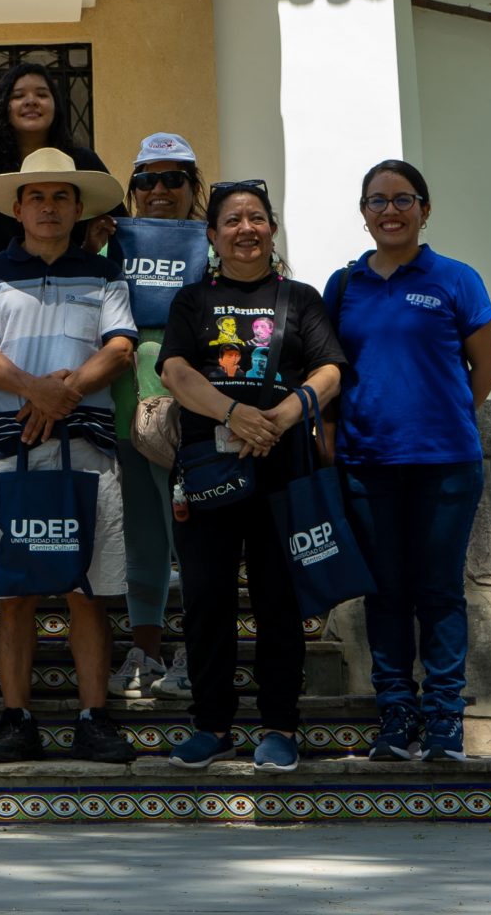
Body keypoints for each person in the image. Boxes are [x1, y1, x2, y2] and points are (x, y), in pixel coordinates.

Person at [156, 178, 348, 771]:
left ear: (272, 228)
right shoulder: (192, 303)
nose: (246, 229)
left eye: (257, 218)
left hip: (281, 469)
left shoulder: (302, 298)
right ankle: (212, 725)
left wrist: (280, 418)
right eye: (232, 220)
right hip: (208, 466)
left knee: (278, 601)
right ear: (212, 235)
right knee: (208, 599)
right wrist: (236, 414)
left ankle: (280, 726)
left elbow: (330, 371)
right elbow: (175, 371)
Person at [0, 148, 138, 765]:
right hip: (10, 451)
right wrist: (40, 391)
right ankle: (15, 717)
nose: (49, 207)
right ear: (18, 208)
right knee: (16, 590)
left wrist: (58, 397)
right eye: (37, 196)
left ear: (78, 207)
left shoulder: (106, 274)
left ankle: (95, 718)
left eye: (61, 196)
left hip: (87, 449)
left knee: (89, 589)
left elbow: (118, 350)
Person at [331, 159, 491, 764]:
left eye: (403, 199)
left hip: (446, 463)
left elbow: (489, 365)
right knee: (385, 593)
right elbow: (329, 371)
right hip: (365, 461)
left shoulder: (456, 279)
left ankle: (444, 722)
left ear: (425, 210)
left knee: (438, 592)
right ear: (363, 214)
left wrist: (446, 413)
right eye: (377, 201)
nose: (390, 211)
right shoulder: (344, 285)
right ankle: (395, 716)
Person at [104, 133, 206, 701]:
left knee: (188, 541)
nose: (159, 191)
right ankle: (144, 648)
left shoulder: (218, 248)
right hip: (121, 416)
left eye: (173, 179)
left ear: (195, 188)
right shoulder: (108, 247)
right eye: (146, 180)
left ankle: (198, 647)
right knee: (141, 541)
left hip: (191, 420)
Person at [0, 62, 112, 282]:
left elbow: (115, 229)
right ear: (4, 106)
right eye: (19, 96)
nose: (31, 101)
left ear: (55, 106)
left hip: (75, 292)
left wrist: (91, 250)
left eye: (41, 94)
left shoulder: (83, 163)